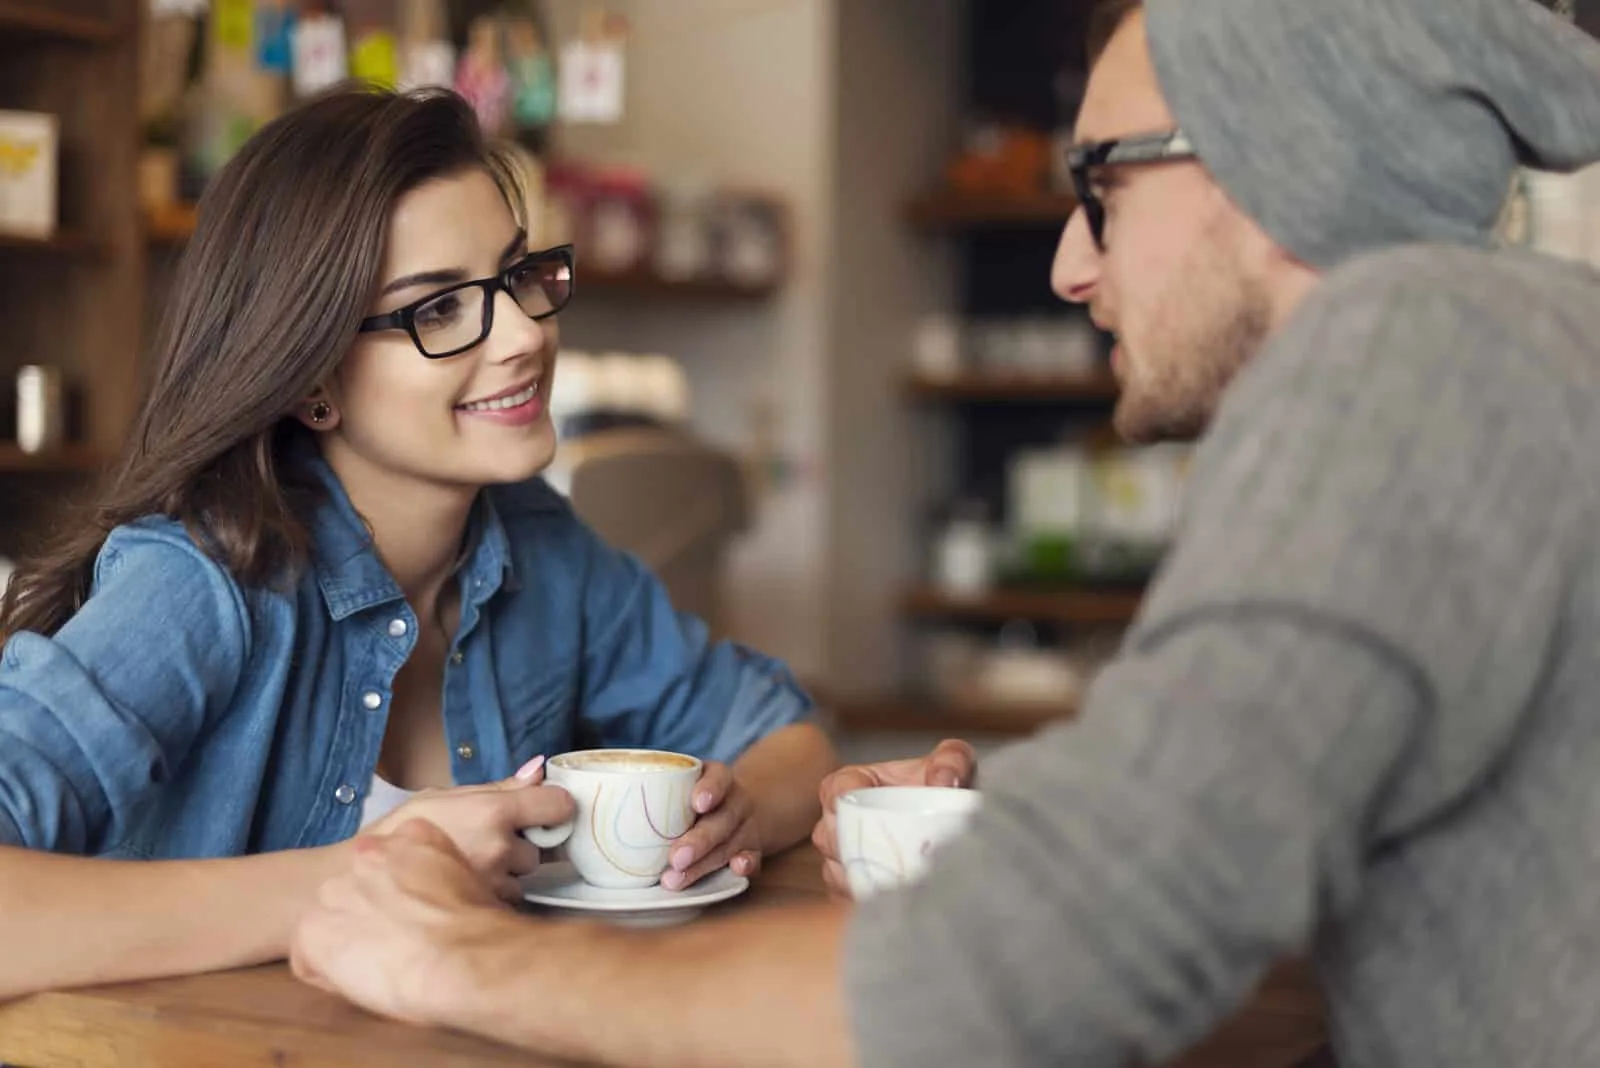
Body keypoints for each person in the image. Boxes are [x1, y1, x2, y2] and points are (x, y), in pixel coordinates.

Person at [288, 0, 1600, 1065]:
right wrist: (1023, 821)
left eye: (1100, 184)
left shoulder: (1413, 359)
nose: (1068, 267)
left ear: (1275, 154)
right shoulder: (1507, 351)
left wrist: (464, 958)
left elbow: (1040, 978)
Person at [0, 85, 836, 1001]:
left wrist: (733, 818)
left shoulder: (543, 551)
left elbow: (788, 740)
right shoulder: (203, 582)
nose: (524, 334)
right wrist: (377, 874)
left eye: (518, 276)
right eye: (436, 310)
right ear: (311, 378)